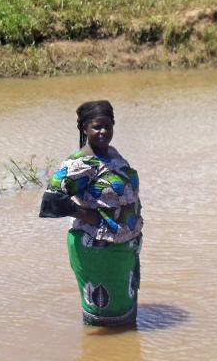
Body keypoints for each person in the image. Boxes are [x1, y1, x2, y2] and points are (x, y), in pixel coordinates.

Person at [39, 100, 143, 326]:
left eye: (107, 126)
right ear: (84, 128)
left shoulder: (112, 154)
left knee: (125, 318)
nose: (103, 131)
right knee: (106, 319)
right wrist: (90, 217)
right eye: (97, 127)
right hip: (97, 248)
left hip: (123, 247)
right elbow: (51, 201)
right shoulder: (80, 163)